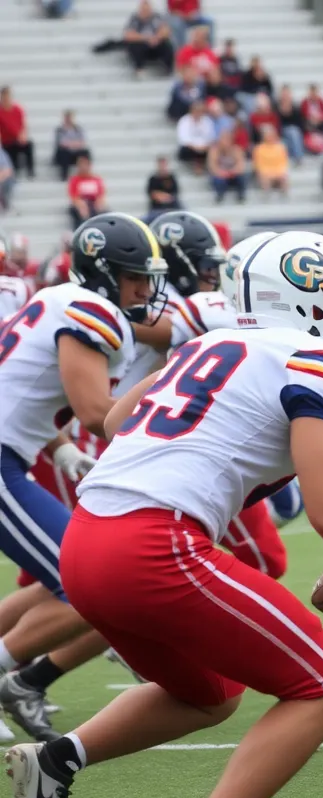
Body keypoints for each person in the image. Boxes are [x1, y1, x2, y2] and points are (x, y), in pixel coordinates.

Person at [6, 231, 323, 798]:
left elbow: (116, 420)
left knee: (211, 695)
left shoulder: (209, 345)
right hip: (154, 542)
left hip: (87, 542)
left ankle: (58, 761)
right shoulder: (316, 362)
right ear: (310, 299)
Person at [0, 214, 163, 743]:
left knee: (81, 576)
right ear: (104, 274)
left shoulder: (57, 299)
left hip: (10, 455)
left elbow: (20, 386)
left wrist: (58, 444)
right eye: (133, 275)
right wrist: (167, 391)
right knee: (86, 580)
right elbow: (97, 412)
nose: (144, 287)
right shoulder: (93, 311)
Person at [123, 1, 175, 77]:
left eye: (147, 10)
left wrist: (156, 37)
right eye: (143, 10)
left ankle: (169, 69)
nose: (145, 12)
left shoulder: (157, 17)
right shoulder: (134, 19)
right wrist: (146, 38)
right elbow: (128, 35)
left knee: (167, 44)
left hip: (156, 44)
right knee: (134, 46)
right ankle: (139, 69)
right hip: (142, 45)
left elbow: (166, 31)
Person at [0, 88, 33, 178]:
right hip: (6, 141)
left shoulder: (17, 109)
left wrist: (23, 136)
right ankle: (14, 172)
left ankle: (30, 171)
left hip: (17, 139)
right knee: (11, 148)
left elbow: (23, 125)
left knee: (29, 145)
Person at [177, 99, 216, 175]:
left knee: (212, 150)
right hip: (190, 148)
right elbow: (183, 139)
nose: (198, 113)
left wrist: (204, 147)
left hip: (204, 147)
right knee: (186, 150)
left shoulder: (207, 121)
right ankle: (197, 165)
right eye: (196, 111)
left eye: (200, 111)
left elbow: (211, 138)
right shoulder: (184, 121)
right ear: (191, 111)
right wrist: (196, 147)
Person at [207, 130, 247, 204]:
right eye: (224, 139)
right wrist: (222, 172)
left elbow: (240, 165)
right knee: (217, 179)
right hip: (220, 174)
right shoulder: (214, 150)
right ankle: (219, 196)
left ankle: (241, 196)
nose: (226, 142)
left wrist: (232, 171)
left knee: (242, 177)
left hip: (233, 174)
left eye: (228, 139)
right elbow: (212, 166)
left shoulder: (237, 149)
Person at [67, 158, 107, 228]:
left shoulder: (96, 179)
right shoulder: (75, 180)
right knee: (79, 214)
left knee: (103, 212)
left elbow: (100, 195)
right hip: (80, 203)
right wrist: (81, 206)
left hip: (93, 203)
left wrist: (99, 204)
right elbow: (74, 197)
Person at [52, 111, 89, 182]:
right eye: (67, 118)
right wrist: (73, 144)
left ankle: (85, 172)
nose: (69, 119)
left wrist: (71, 144)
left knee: (85, 152)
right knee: (64, 153)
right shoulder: (60, 130)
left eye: (70, 118)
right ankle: (64, 175)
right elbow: (61, 143)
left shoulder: (78, 129)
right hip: (65, 152)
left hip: (75, 151)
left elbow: (82, 142)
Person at [253, 125, 289, 196]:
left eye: (271, 135)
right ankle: (266, 198)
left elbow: (283, 163)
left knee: (283, 177)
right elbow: (259, 165)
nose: (270, 137)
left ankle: (284, 198)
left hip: (278, 172)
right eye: (268, 135)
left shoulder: (281, 147)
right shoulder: (258, 149)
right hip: (265, 173)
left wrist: (278, 173)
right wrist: (269, 174)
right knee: (264, 178)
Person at [273, 87, 305, 162]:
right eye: (284, 94)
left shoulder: (295, 107)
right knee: (291, 132)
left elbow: (300, 123)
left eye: (287, 94)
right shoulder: (276, 107)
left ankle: (298, 156)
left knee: (293, 132)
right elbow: (275, 122)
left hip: (293, 132)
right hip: (280, 131)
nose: (285, 96)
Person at [300, 84, 323, 149]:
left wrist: (319, 118)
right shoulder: (305, 102)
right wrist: (310, 118)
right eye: (312, 92)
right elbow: (303, 114)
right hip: (309, 123)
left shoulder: (321, 102)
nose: (314, 95)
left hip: (320, 122)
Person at [0, 148, 13, 213]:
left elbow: (9, 171)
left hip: (2, 179)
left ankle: (5, 205)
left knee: (7, 182)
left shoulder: (2, 154)